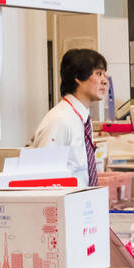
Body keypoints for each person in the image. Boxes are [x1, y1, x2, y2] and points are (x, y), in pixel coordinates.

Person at [31, 48, 108, 186]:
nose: (105, 81)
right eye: (98, 73)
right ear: (78, 77)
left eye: (104, 74)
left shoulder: (82, 119)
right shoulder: (60, 120)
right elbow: (42, 180)